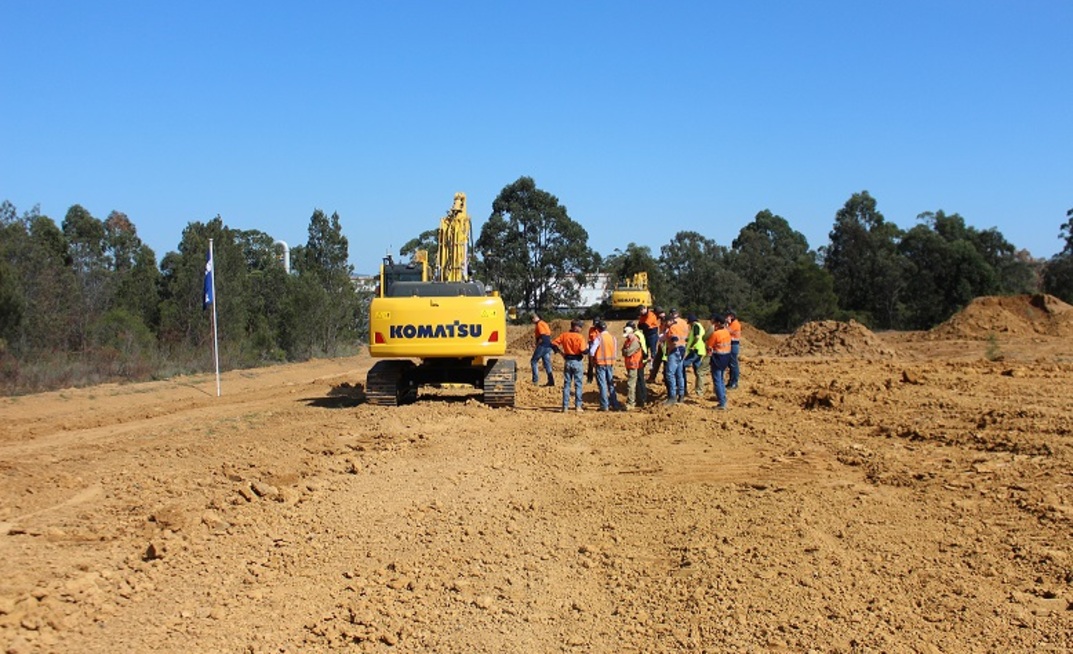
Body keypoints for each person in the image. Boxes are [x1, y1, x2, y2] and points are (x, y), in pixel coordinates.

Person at [551, 319, 587, 412]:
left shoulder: (564, 335)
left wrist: (561, 353)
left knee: (567, 384)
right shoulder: (580, 337)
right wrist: (589, 349)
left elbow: (553, 344)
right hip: (577, 362)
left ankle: (565, 407)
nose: (580, 328)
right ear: (575, 327)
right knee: (578, 385)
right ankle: (578, 406)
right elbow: (583, 350)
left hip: (567, 361)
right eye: (579, 326)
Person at [589, 319, 622, 411]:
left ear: (598, 329)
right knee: (610, 384)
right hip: (610, 364)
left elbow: (592, 351)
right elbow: (615, 351)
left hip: (600, 364)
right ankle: (615, 404)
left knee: (602, 384)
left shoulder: (599, 338)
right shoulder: (613, 338)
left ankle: (604, 405)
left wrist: (592, 362)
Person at [662, 308, 689, 405]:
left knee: (669, 374)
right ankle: (681, 395)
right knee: (679, 374)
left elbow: (673, 337)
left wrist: (672, 340)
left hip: (674, 351)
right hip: (682, 350)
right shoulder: (683, 323)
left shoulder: (672, 328)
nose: (665, 324)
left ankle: (672, 397)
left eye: (665, 322)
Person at [706, 313, 732, 410]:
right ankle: (723, 398)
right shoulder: (726, 332)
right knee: (721, 379)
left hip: (717, 358)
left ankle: (722, 403)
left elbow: (709, 347)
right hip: (726, 358)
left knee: (717, 380)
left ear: (717, 323)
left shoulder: (716, 334)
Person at [621, 321, 647, 409]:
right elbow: (623, 351)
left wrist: (625, 351)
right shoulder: (628, 341)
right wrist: (625, 351)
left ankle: (631, 403)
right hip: (630, 365)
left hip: (634, 365)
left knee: (631, 384)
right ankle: (638, 400)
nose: (626, 337)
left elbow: (627, 352)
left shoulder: (635, 341)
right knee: (633, 384)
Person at [683, 313, 708, 397]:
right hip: (700, 350)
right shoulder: (700, 326)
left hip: (696, 350)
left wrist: (692, 345)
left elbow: (697, 337)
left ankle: (683, 388)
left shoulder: (696, 326)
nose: (689, 325)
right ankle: (700, 389)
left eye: (689, 323)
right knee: (698, 370)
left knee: (682, 365)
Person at [530, 313, 555, 386]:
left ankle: (535, 381)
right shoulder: (544, 323)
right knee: (547, 363)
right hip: (548, 346)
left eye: (533, 319)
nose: (532, 321)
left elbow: (542, 336)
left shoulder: (539, 324)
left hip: (543, 345)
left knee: (533, 361)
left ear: (535, 318)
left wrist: (537, 345)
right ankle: (551, 381)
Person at [646, 307, 667, 384]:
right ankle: (652, 377)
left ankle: (665, 378)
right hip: (662, 345)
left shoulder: (666, 321)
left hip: (666, 346)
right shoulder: (661, 320)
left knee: (665, 363)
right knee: (657, 362)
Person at [725, 309, 742, 389]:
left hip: (733, 345)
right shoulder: (733, 323)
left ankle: (734, 382)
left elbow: (726, 332)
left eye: (727, 316)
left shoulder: (735, 324)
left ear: (731, 316)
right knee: (731, 365)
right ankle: (731, 382)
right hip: (731, 345)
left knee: (733, 365)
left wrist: (727, 323)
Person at [586, 318, 602, 384]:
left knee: (598, 364)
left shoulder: (601, 330)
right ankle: (590, 378)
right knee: (590, 364)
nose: (595, 326)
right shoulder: (591, 329)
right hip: (592, 347)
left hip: (599, 348)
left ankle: (599, 379)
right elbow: (589, 338)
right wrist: (588, 345)